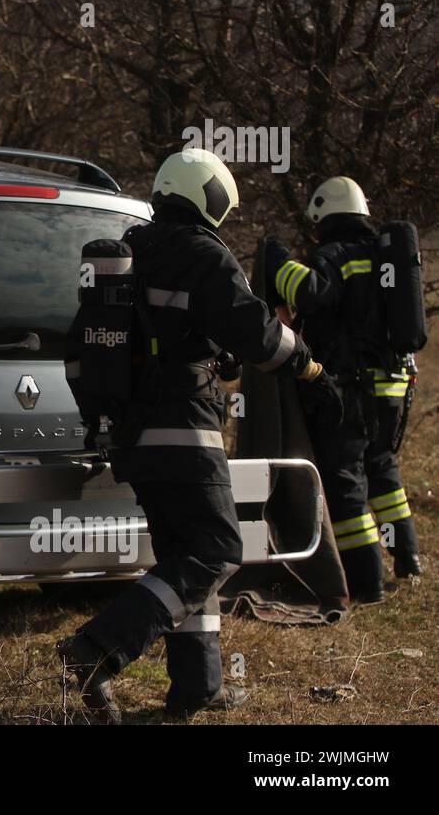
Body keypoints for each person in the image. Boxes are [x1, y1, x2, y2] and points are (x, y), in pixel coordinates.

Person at [58, 148, 339, 723]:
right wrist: (308, 364)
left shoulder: (128, 252)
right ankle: (97, 650)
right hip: (184, 430)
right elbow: (259, 334)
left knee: (184, 557)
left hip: (133, 437)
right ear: (208, 196)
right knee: (216, 550)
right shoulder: (203, 254)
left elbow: (82, 354)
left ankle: (198, 686)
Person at [266, 176, 424, 599]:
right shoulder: (382, 254)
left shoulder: (335, 254)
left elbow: (315, 295)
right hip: (391, 386)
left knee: (347, 482)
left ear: (324, 214)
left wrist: (277, 262)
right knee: (383, 471)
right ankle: (407, 557)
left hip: (354, 392)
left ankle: (366, 581)